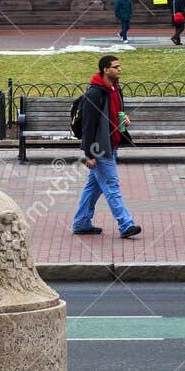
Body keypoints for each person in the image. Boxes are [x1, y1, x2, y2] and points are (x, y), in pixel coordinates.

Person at [71, 55, 142, 239]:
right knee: (111, 185)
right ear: (105, 69)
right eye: (116, 67)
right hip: (100, 148)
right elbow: (88, 126)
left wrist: (124, 120)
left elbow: (115, 116)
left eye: (120, 66)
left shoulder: (115, 90)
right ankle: (126, 224)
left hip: (112, 144)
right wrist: (89, 154)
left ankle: (81, 222)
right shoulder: (95, 94)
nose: (120, 70)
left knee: (93, 187)